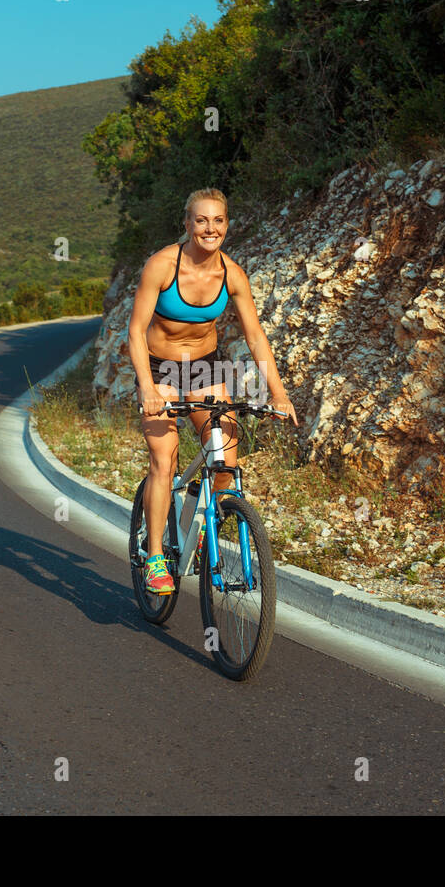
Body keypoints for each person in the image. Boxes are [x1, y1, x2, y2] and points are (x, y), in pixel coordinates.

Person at [127, 188, 298, 595]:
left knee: (225, 462)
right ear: (186, 223)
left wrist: (278, 392)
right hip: (160, 369)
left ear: (226, 225)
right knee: (164, 460)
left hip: (207, 367)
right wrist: (148, 388)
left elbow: (255, 337)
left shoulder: (231, 273)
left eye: (217, 221)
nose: (210, 228)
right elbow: (135, 331)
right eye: (201, 220)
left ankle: (202, 528)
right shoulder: (162, 266)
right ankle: (154, 558)